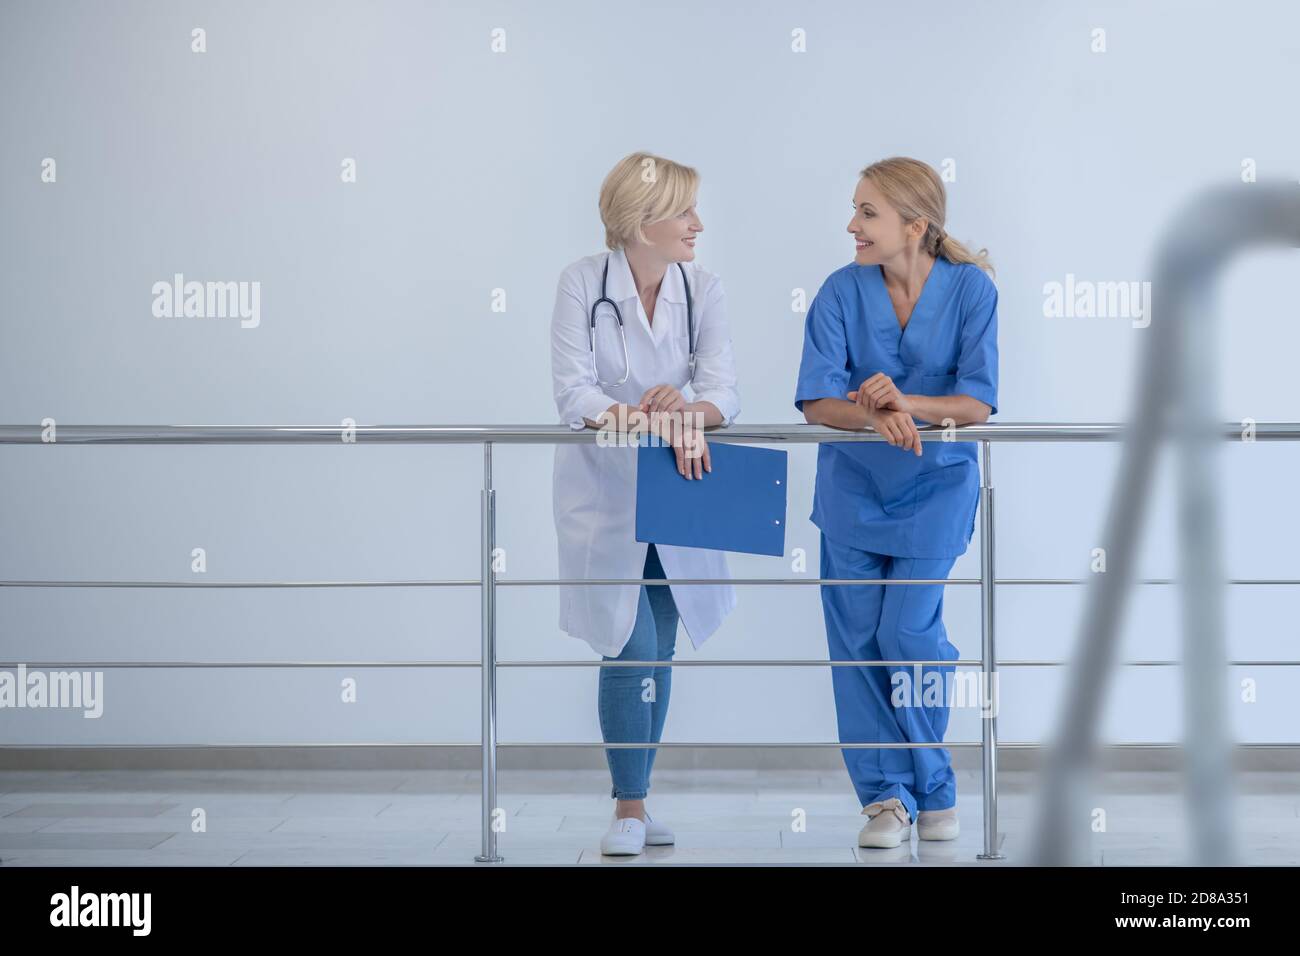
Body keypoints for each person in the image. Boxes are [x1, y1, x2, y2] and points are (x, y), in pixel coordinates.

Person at [794, 156, 999, 849]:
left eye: (867, 213)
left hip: (936, 486)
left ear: (915, 225)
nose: (851, 225)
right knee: (856, 646)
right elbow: (818, 400)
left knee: (908, 634)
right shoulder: (838, 292)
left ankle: (934, 785)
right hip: (853, 488)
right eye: (854, 210)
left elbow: (976, 401)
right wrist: (872, 418)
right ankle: (886, 800)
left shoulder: (971, 291)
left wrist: (901, 403)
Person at [550, 151, 741, 856]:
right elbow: (574, 397)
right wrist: (652, 416)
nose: (697, 224)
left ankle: (640, 799)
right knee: (626, 644)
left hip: (678, 487)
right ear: (640, 221)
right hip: (604, 494)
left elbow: (727, 390)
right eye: (683, 211)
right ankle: (626, 807)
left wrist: (689, 405)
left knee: (659, 645)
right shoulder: (582, 285)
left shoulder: (704, 288)